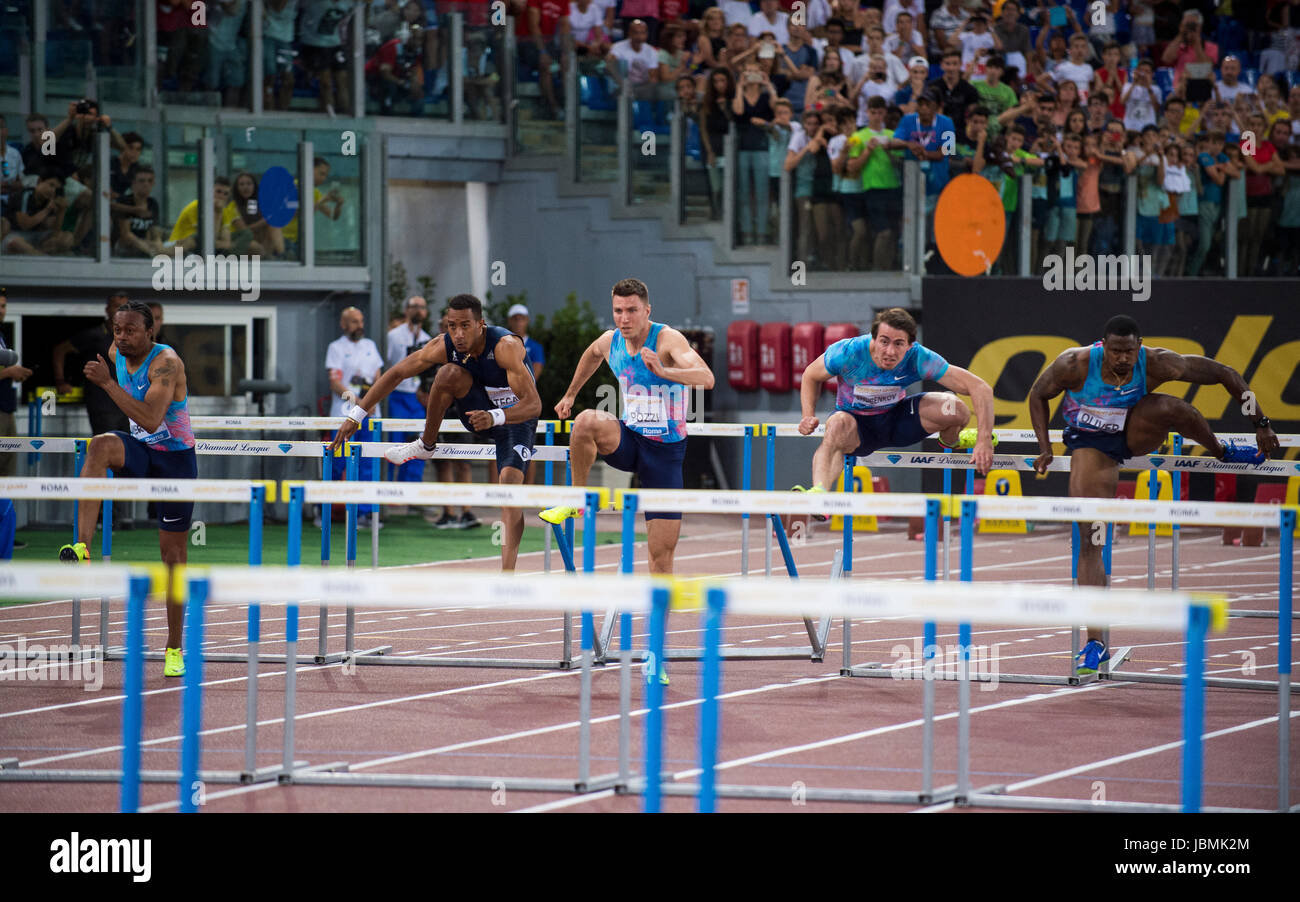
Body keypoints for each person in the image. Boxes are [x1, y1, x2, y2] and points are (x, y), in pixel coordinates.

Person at [1029, 315, 1279, 675]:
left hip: (1135, 428)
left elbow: (1225, 373)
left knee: (1178, 409)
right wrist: (1044, 446)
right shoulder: (1075, 363)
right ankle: (1095, 643)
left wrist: (1261, 423)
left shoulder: (1159, 361)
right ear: (1102, 347)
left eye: (1129, 352)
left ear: (1140, 347)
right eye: (1115, 352)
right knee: (1090, 539)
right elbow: (1038, 394)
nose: (1122, 359)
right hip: (1091, 443)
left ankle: (1221, 452)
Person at [332, 294, 541, 568]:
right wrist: (356, 415)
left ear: (481, 324)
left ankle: (507, 575)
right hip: (476, 413)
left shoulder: (505, 347)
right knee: (447, 374)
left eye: (465, 325)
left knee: (509, 491)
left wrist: (495, 417)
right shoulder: (445, 345)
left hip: (514, 417)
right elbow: (396, 373)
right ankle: (426, 444)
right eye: (452, 326)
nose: (458, 334)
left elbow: (534, 404)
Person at [59, 301, 197, 679]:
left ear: (150, 332)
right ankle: (83, 546)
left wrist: (106, 383)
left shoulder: (166, 363)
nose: (121, 337)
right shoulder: (114, 352)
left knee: (172, 556)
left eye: (130, 330)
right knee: (99, 445)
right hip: (140, 452)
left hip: (175, 462)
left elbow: (152, 419)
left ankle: (173, 648)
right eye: (117, 330)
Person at [539, 278, 713, 576]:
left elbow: (706, 378)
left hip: (665, 454)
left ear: (647, 310)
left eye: (632, 310)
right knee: (585, 421)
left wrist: (664, 370)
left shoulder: (667, 339)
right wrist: (570, 394)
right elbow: (592, 354)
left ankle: (657, 621)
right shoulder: (611, 340)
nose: (624, 318)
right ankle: (577, 498)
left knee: (660, 557)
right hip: (629, 441)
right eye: (618, 310)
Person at [795, 308, 994, 515]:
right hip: (857, 428)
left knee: (955, 407)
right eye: (884, 341)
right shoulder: (849, 352)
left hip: (898, 421)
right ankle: (820, 495)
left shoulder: (919, 357)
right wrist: (807, 415)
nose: (890, 351)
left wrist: (984, 439)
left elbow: (981, 388)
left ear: (910, 346)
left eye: (898, 344)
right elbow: (810, 374)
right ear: (873, 339)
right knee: (836, 424)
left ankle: (952, 440)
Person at [326, 306, 384, 526]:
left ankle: (365, 513)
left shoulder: (370, 346)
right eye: (354, 321)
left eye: (361, 321)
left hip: (369, 416)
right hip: (342, 415)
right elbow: (334, 382)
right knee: (336, 463)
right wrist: (359, 403)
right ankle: (324, 510)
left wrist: (371, 402)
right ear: (344, 324)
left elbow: (379, 378)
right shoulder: (336, 348)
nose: (359, 325)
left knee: (367, 463)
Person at [52, 291, 132, 438]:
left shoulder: (130, 338)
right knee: (106, 450)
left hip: (127, 406)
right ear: (108, 310)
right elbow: (59, 351)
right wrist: (60, 381)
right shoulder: (95, 335)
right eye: (116, 307)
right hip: (102, 406)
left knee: (128, 452)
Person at [384, 295, 431, 484]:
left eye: (422, 307)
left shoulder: (428, 339)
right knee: (393, 442)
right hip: (396, 395)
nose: (418, 310)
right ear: (407, 310)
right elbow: (385, 365)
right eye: (414, 306)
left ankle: (411, 493)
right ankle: (387, 492)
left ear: (426, 312)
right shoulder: (393, 336)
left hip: (417, 398)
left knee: (419, 444)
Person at [0, 292, 33, 479]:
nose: (1, 311)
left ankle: (5, 509)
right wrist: (9, 372)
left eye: (3, 306)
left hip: (7, 408)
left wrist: (14, 374)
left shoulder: (2, 335)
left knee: (7, 472)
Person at [506, 303, 545, 379]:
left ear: (527, 320)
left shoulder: (536, 347)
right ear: (509, 321)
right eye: (515, 319)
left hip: (525, 389)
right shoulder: (500, 344)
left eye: (522, 319)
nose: (518, 322)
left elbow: (535, 373)